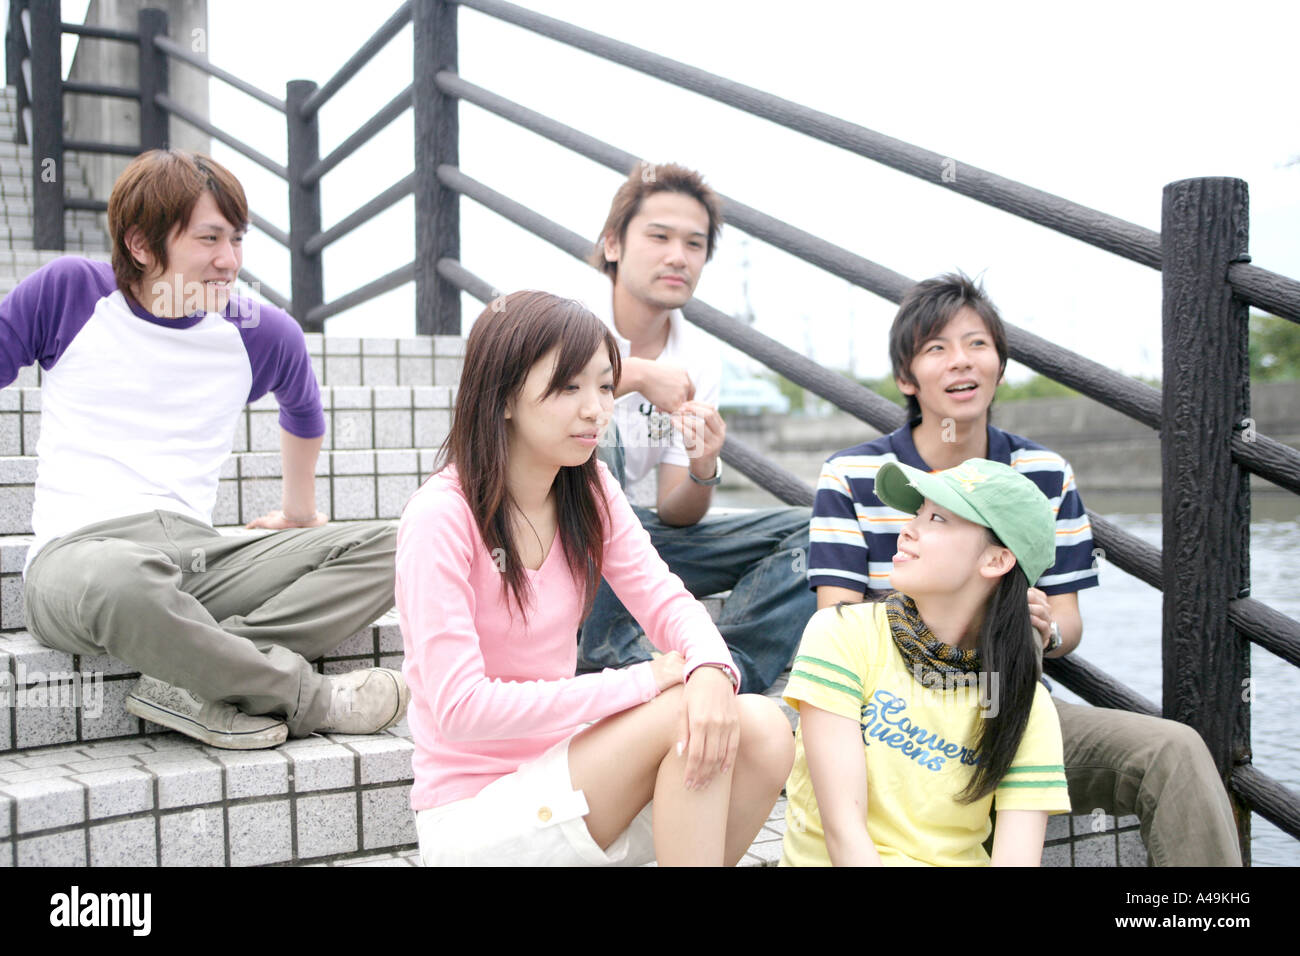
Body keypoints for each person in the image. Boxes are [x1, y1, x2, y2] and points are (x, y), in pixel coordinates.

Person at [808, 272, 1242, 865]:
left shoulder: (1044, 471)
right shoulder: (853, 475)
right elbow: (837, 614)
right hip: (886, 701)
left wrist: (1037, 623)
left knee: (1172, 749)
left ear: (1000, 364)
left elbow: (1067, 621)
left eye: (977, 344)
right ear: (907, 377)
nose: (961, 362)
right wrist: (949, 606)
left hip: (1008, 702)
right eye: (937, 348)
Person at [5, 149, 407, 749]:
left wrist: (298, 511)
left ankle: (191, 678)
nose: (230, 261)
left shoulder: (257, 331)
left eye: (237, 239)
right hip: (80, 557)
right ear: (141, 245)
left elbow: (302, 409)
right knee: (129, 581)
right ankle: (311, 697)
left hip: (194, 559)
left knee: (403, 543)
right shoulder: (70, 293)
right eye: (209, 239)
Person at [396, 291, 793, 866]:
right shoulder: (442, 517)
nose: (595, 409)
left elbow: (664, 598)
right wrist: (641, 681)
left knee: (763, 728)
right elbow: (461, 708)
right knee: (683, 710)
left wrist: (710, 667)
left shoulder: (590, 488)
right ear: (504, 396)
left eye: (606, 386)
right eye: (568, 387)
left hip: (572, 786)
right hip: (476, 819)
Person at [574, 162, 815, 693]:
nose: (677, 256)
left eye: (695, 244)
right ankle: (610, 651)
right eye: (658, 237)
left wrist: (704, 467)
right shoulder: (569, 313)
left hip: (637, 540)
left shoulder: (698, 359)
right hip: (556, 536)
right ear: (613, 244)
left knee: (819, 528)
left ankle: (728, 669)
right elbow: (533, 399)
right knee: (592, 413)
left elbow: (675, 513)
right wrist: (632, 376)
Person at [783, 458, 1071, 865]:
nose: (908, 530)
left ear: (995, 561)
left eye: (937, 518)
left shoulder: (1024, 701)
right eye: (917, 513)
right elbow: (844, 834)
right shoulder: (843, 634)